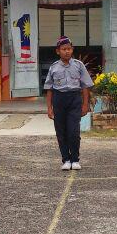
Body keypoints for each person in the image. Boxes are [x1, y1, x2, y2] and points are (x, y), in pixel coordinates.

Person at [43, 37, 94, 170]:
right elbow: (49, 89)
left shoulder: (78, 65)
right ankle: (66, 159)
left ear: (72, 50)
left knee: (73, 131)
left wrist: (85, 104)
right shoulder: (53, 67)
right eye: (64, 49)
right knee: (61, 131)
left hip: (74, 99)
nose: (67, 52)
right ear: (58, 51)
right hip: (59, 100)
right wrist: (49, 108)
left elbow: (85, 87)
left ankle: (75, 159)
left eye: (69, 49)